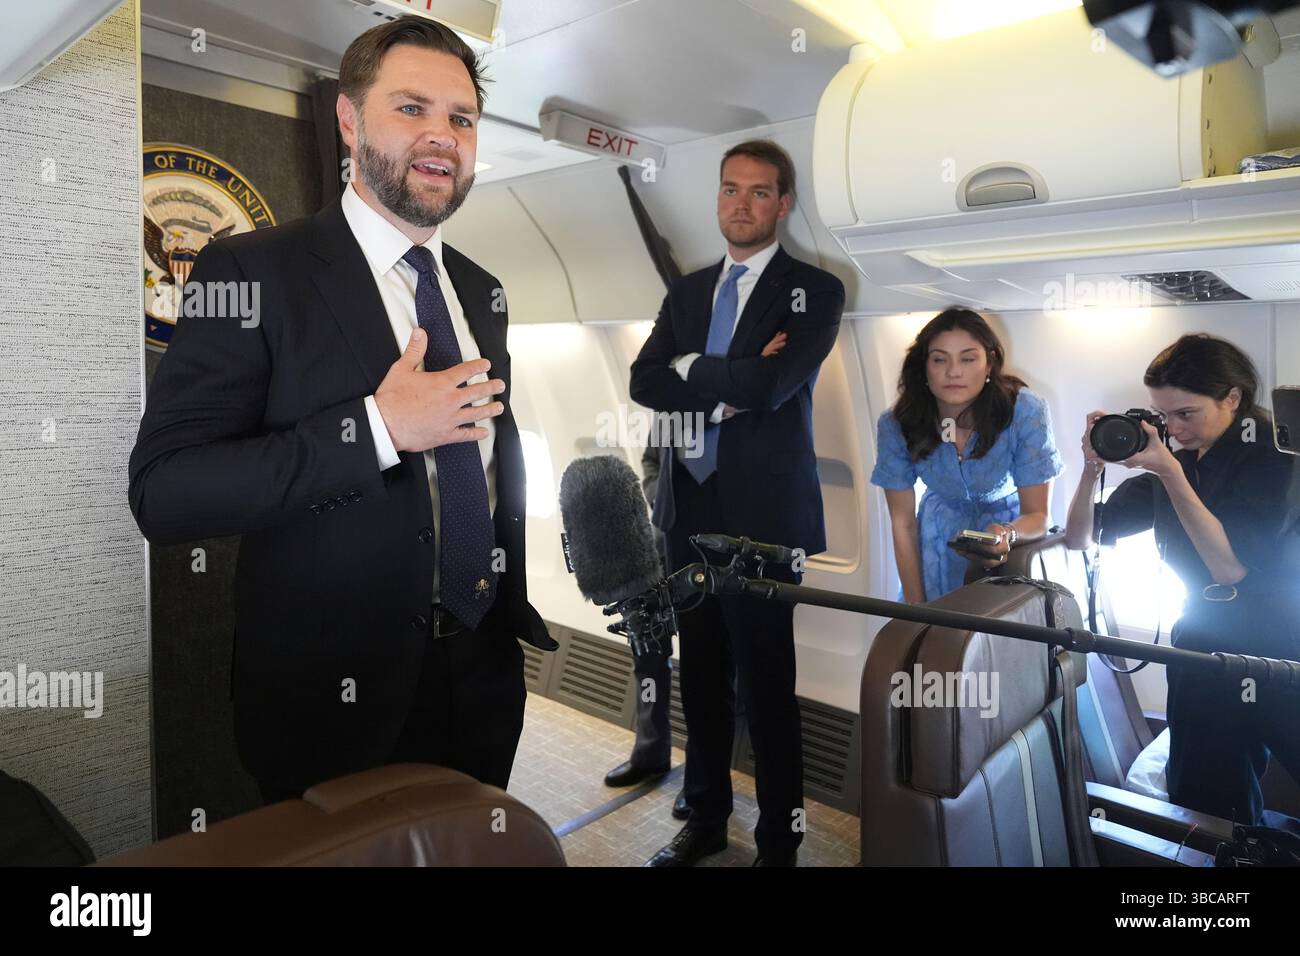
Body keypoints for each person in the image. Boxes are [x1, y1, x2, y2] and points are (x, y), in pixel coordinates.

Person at [128, 16, 556, 805]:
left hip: (482, 670)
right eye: (411, 108)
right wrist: (379, 429)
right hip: (333, 693)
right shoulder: (252, 270)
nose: (442, 136)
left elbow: (488, 462)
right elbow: (165, 491)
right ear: (350, 122)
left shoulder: (480, 288)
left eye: (461, 119)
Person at [629, 139, 845, 866]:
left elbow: (774, 388)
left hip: (764, 517)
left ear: (783, 204)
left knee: (767, 686)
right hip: (688, 507)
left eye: (759, 193)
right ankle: (706, 819)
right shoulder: (688, 292)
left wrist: (699, 375)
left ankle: (779, 838)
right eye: (730, 190)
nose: (741, 205)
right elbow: (645, 380)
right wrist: (724, 382)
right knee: (703, 676)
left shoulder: (815, 291)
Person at [1064, 333, 1300, 824]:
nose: (1173, 427)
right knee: (1203, 790)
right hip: (1201, 637)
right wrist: (1090, 468)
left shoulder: (1272, 458)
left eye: (1185, 414)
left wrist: (1171, 473)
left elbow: (1229, 569)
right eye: (1163, 414)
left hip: (1275, 639)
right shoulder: (1173, 459)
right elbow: (1081, 538)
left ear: (1232, 398)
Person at [871, 308, 1063, 603]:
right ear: (924, 366)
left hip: (1009, 542)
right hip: (936, 543)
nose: (953, 372)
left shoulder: (1024, 411)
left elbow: (1038, 516)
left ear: (989, 363)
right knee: (937, 638)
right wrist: (915, 608)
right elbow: (902, 522)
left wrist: (1005, 535)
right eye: (939, 359)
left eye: (968, 358)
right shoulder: (898, 422)